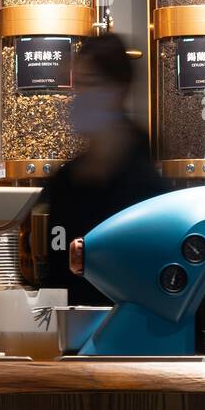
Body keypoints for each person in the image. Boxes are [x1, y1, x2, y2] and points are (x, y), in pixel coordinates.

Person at [39, 33, 165, 305]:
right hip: (71, 337)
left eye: (90, 84)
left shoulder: (149, 188)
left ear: (119, 91)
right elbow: (56, 273)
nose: (78, 97)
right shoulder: (66, 180)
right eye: (76, 86)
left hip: (130, 338)